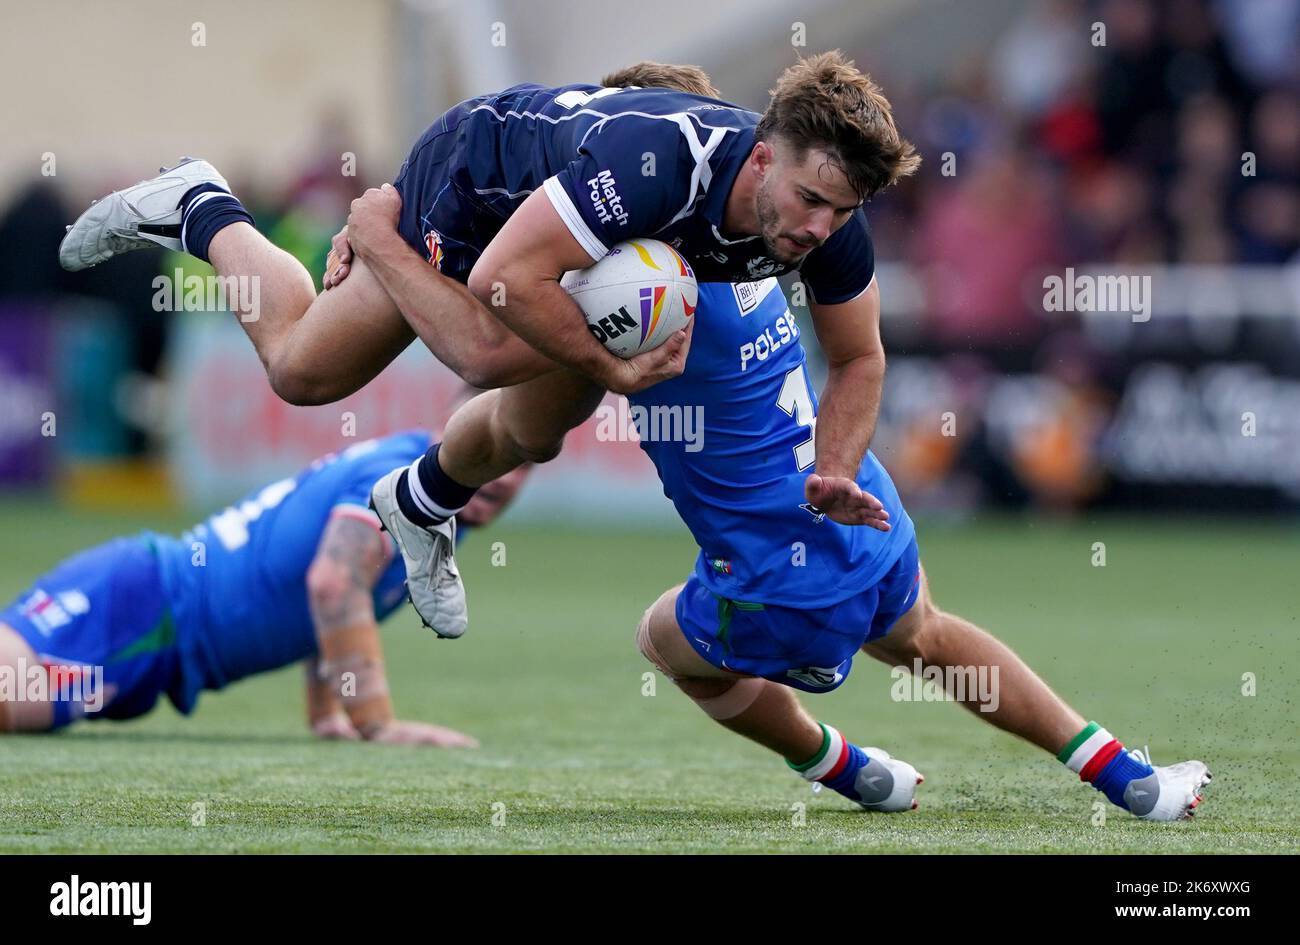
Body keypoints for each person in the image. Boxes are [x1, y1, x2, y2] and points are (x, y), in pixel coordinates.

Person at [58, 53, 917, 639]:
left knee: (543, 426)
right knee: (324, 369)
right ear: (763, 159)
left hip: (557, 233)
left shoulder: (826, 222)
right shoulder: (662, 164)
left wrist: (833, 470)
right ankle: (204, 201)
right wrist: (613, 365)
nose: (819, 226)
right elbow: (499, 291)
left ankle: (422, 502)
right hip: (473, 188)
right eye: (810, 198)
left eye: (840, 210)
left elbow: (859, 357)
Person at [609, 279, 1209, 819]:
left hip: (777, 582)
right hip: (865, 509)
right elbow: (858, 348)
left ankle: (842, 767)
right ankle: (1128, 779)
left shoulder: (634, 274)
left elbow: (529, 423)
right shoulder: (758, 239)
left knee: (659, 638)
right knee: (928, 635)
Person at [0, 429, 517, 742]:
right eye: (496, 456)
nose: (504, 477)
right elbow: (333, 584)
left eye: (524, 462)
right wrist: (377, 724)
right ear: (457, 426)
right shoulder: (402, 472)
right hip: (142, 606)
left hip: (166, 655)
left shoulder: (440, 501)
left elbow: (333, 593)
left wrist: (326, 712)